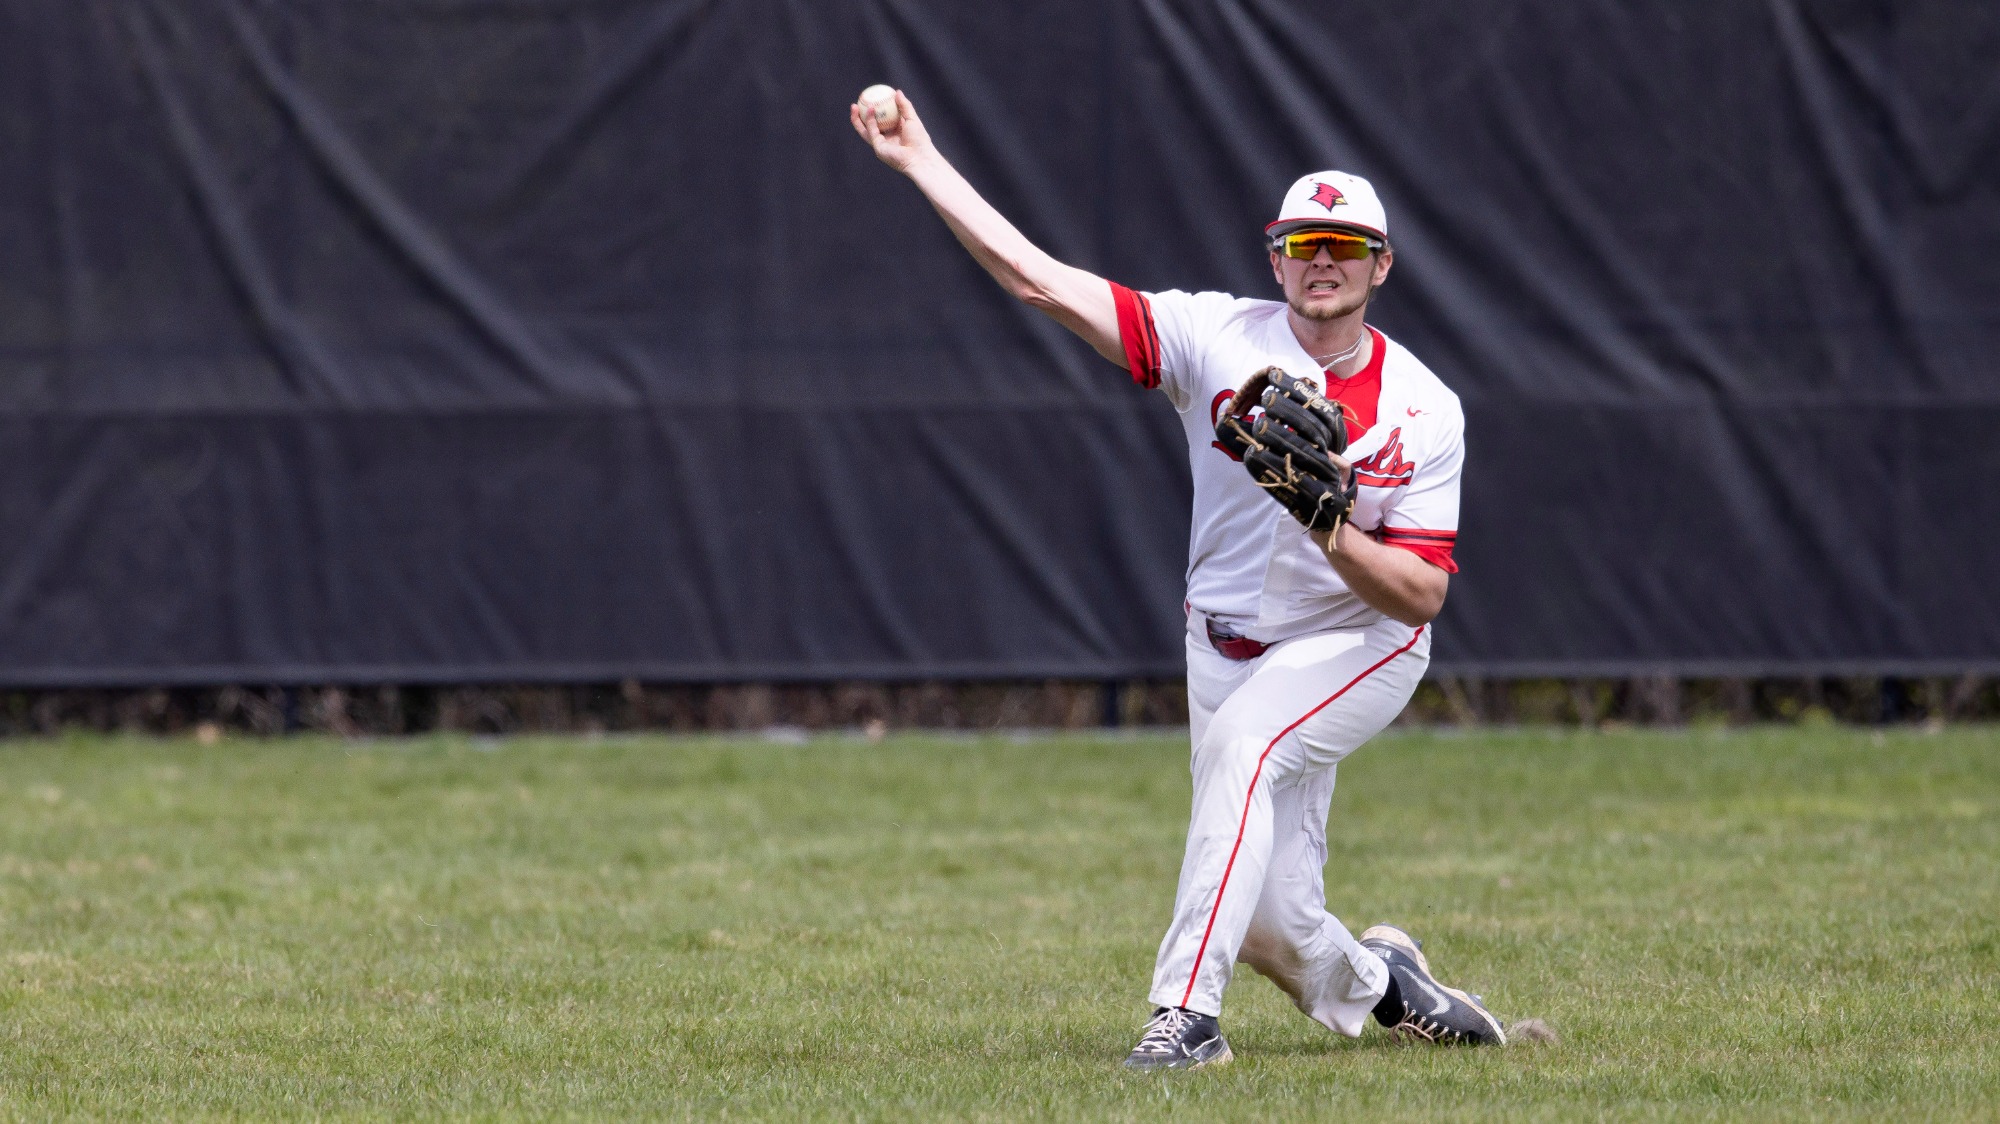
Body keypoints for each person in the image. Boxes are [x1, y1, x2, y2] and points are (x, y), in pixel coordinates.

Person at [851, 90, 1506, 1069]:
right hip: (1221, 642)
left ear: (1382, 264)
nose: (1322, 260)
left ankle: (1186, 1017)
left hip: (1358, 640)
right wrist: (921, 162)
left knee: (1245, 747)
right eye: (1303, 243)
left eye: (1346, 245)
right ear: (1274, 257)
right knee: (1272, 924)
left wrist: (1328, 525)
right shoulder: (1214, 337)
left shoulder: (1422, 406)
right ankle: (1389, 986)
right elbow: (1037, 281)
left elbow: (1422, 594)